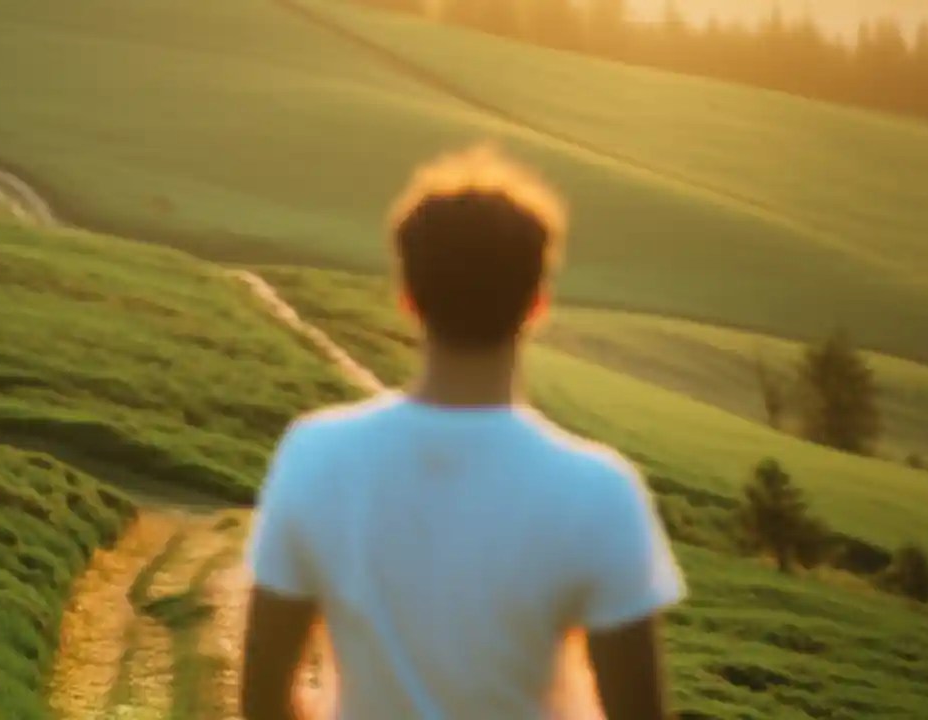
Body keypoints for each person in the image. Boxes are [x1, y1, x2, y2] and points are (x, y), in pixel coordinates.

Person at [239, 146, 687, 720]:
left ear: (408, 299)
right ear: (538, 304)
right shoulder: (599, 490)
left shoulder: (316, 454)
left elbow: (261, 702)